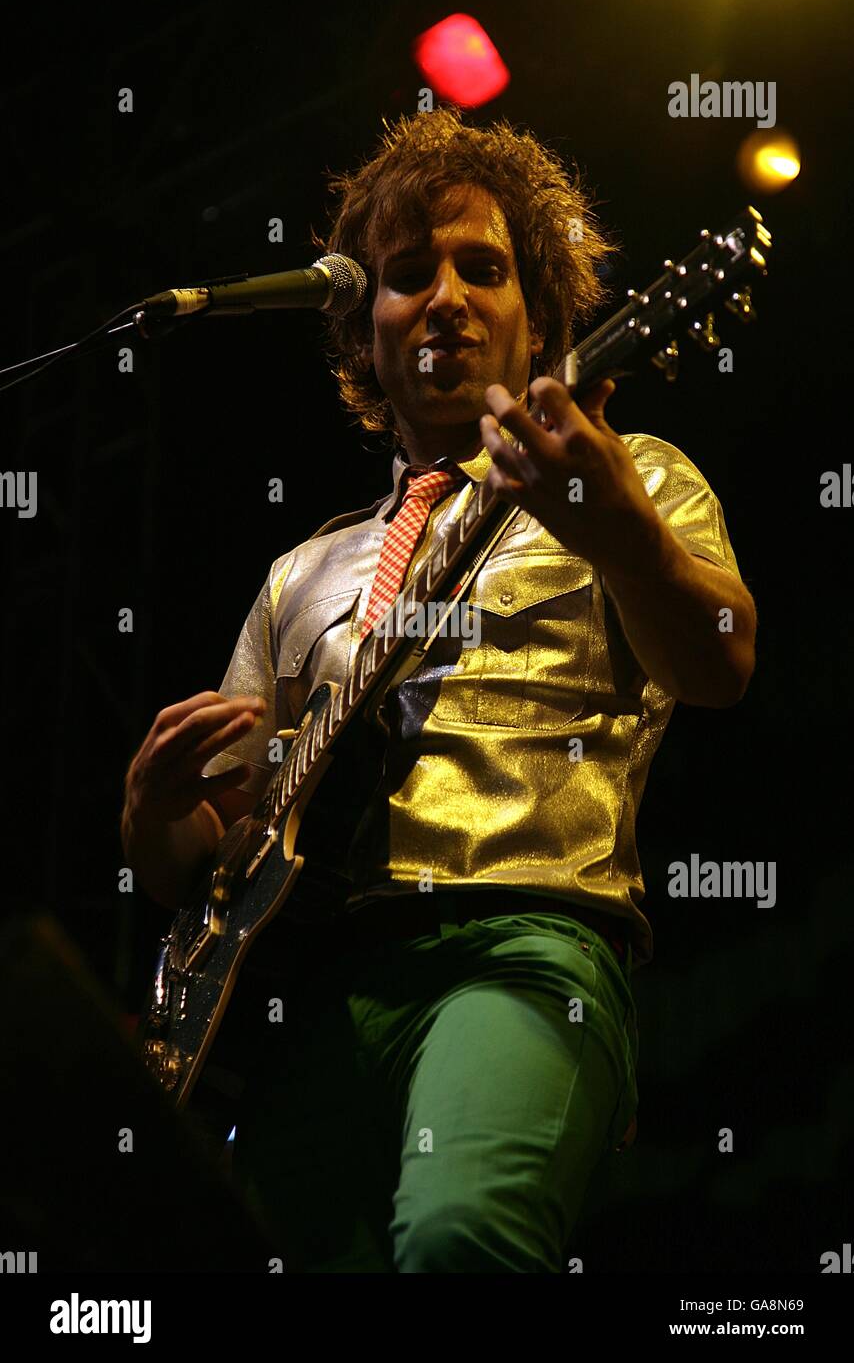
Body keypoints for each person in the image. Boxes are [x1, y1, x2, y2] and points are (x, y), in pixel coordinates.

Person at [121, 108, 757, 1272]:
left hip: (524, 941)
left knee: (462, 1240)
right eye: (407, 276)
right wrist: (158, 815)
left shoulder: (631, 474)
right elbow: (211, 859)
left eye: (484, 267)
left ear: (541, 315)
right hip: (310, 992)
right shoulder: (299, 574)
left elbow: (718, 662)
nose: (446, 299)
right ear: (362, 335)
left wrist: (617, 531)